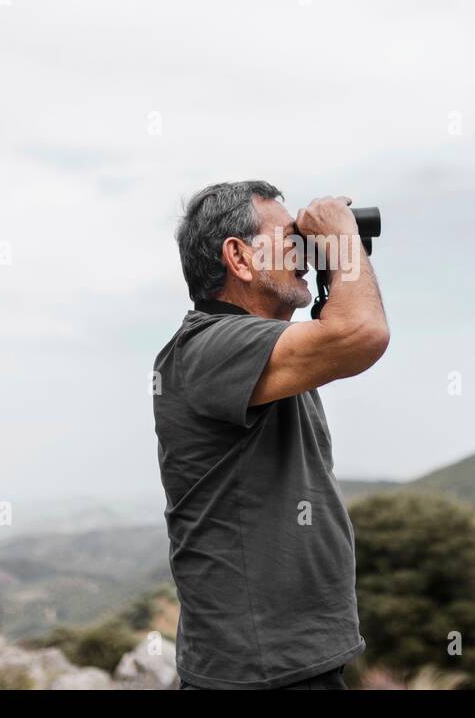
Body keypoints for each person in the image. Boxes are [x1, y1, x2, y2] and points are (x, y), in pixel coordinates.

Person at [152, 181, 390, 689]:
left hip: (289, 665)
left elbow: (339, 329)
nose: (303, 251)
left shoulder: (266, 350)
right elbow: (361, 333)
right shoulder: (210, 346)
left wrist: (332, 268)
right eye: (290, 238)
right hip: (259, 672)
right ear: (238, 257)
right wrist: (343, 239)